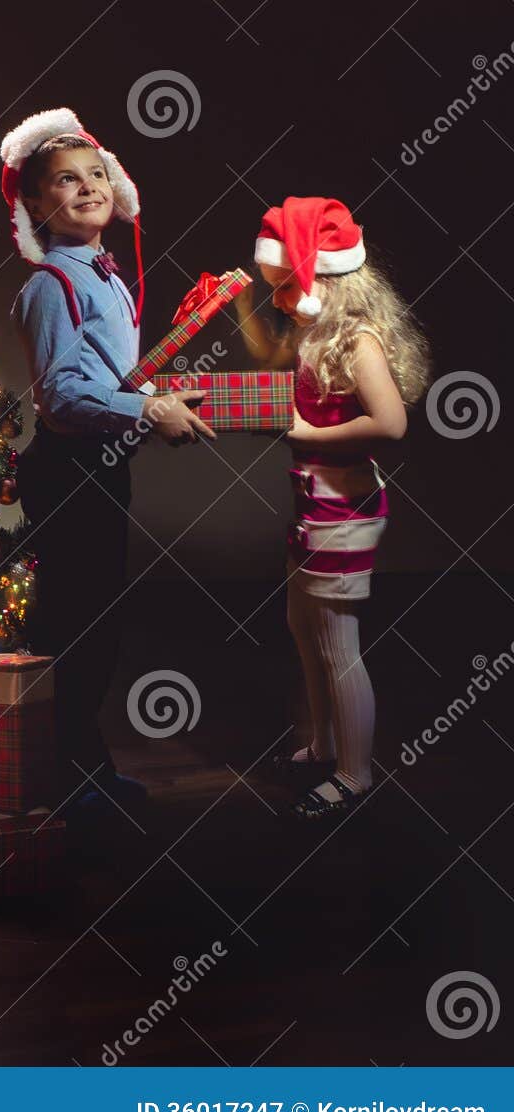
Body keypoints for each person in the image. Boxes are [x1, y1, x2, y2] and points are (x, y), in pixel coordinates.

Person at [0, 108, 213, 817]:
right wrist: (147, 412)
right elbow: (62, 394)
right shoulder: (51, 284)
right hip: (68, 471)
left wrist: (155, 392)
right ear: (36, 204)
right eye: (66, 180)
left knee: (98, 626)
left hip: (100, 467)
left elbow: (107, 376)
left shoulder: (107, 277)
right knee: (73, 630)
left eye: (96, 174)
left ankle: (85, 765)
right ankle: (64, 781)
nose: (88, 187)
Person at [239, 197, 427, 819]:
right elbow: (268, 358)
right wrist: (238, 304)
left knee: (337, 641)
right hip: (314, 503)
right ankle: (324, 747)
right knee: (305, 627)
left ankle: (353, 774)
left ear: (326, 279)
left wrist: (304, 436)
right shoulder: (318, 332)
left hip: (343, 507)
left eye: (285, 288)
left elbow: (392, 425)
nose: (281, 302)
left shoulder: (357, 340)